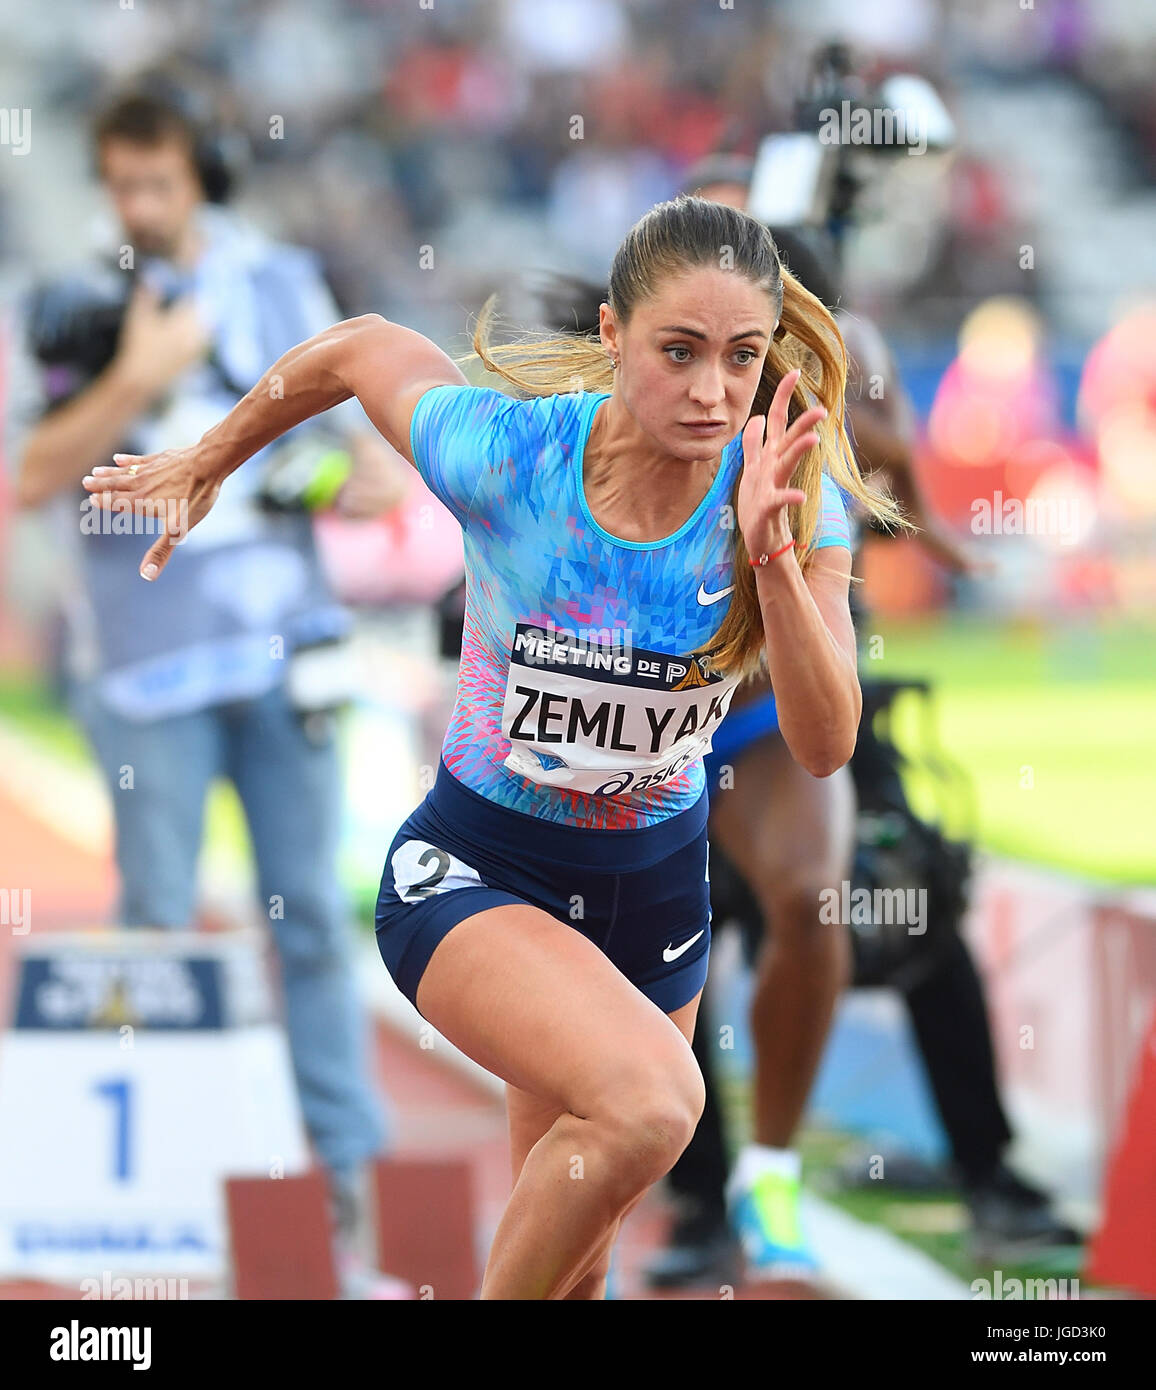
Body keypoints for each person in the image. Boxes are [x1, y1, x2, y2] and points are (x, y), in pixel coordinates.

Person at [81, 194, 904, 1300]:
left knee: (577, 1262)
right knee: (657, 1102)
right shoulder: (511, 455)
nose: (713, 392)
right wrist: (211, 455)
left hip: (652, 901)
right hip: (476, 874)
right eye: (679, 352)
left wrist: (771, 566)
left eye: (742, 358)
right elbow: (362, 349)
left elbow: (820, 744)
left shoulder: (788, 491)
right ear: (613, 336)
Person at [642, 160, 1079, 1286]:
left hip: (811, 682)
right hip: (670, 712)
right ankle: (704, 1207)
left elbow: (892, 479)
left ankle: (989, 1177)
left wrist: (809, 387)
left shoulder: (827, 334)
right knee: (664, 948)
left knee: (905, 904)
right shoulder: (651, 354)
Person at [13, 86, 408, 1296]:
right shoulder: (70, 302)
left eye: (160, 183)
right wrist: (139, 377)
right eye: (121, 184)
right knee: (158, 927)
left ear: (209, 177)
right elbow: (29, 473)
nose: (137, 206)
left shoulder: (283, 283)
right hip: (144, 673)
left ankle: (345, 1205)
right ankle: (156, 1215)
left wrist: (338, 481)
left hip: (283, 650)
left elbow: (379, 469)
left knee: (312, 924)